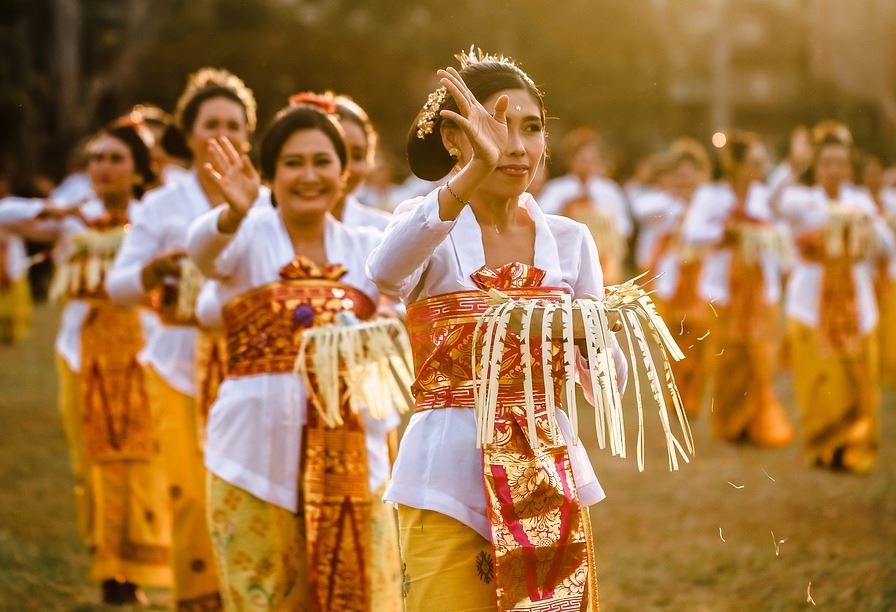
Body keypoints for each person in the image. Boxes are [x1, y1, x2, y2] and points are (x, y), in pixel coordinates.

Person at [367, 49, 628, 612]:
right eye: (494, 126)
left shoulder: (570, 239)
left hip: (544, 473)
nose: (516, 145)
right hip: (443, 479)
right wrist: (469, 177)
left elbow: (609, 385)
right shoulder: (429, 223)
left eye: (530, 128)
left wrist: (589, 333)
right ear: (456, 139)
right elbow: (385, 273)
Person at [186, 96, 401, 611]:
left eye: (322, 161)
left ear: (344, 173)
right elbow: (202, 252)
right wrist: (232, 213)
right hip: (252, 461)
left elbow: (407, 298)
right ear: (271, 175)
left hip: (354, 463)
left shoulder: (367, 246)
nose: (309, 176)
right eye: (293, 163)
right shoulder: (245, 238)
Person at [106, 67, 266, 610]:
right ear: (189, 133)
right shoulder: (161, 206)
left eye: (234, 125)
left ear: (249, 134)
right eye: (210, 123)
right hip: (177, 364)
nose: (222, 134)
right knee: (190, 493)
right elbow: (117, 285)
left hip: (252, 364)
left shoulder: (268, 202)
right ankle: (198, 598)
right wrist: (152, 274)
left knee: (249, 485)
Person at [0, 121, 171, 605]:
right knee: (90, 459)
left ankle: (135, 566)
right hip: (80, 355)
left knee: (142, 457)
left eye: (115, 158)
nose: (103, 168)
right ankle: (106, 566)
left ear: (138, 169)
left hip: (143, 353)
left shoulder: (151, 218)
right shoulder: (71, 219)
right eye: (96, 158)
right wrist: (49, 208)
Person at [779, 122, 896, 472]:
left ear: (849, 168)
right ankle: (823, 446)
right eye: (826, 162)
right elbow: (775, 203)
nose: (834, 169)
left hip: (855, 303)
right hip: (810, 303)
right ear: (816, 166)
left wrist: (866, 225)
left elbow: (886, 248)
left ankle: (855, 449)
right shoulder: (801, 199)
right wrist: (792, 164)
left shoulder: (859, 201)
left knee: (858, 377)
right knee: (818, 379)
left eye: (840, 162)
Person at [682, 132, 793, 445]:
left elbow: (781, 229)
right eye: (755, 161)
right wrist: (727, 231)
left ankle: (759, 423)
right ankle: (730, 424)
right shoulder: (711, 195)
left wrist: (761, 233)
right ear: (737, 165)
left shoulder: (763, 196)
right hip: (722, 289)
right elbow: (693, 232)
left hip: (761, 288)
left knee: (760, 356)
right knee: (729, 356)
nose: (761, 167)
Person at [645, 139, 713, 417]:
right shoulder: (662, 204)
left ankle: (693, 398)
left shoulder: (709, 205)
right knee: (674, 341)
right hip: (671, 283)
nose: (686, 178)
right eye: (680, 172)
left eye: (691, 171)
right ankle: (678, 398)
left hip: (701, 280)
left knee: (701, 342)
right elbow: (642, 210)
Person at [537, 126, 633, 283]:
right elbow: (541, 222)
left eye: (592, 156)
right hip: (566, 259)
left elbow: (624, 227)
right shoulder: (556, 189)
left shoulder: (610, 190)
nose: (587, 161)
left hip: (605, 261)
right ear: (570, 159)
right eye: (581, 156)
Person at [859, 152, 896, 385]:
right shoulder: (857, 200)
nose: (874, 177)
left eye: (878, 172)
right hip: (868, 271)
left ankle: (890, 369)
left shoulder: (892, 199)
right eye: (870, 173)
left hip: (890, 271)